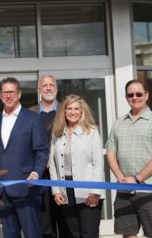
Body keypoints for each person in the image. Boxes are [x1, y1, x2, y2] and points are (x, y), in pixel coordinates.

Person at [105, 80, 152, 238]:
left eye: (139, 94)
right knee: (128, 234)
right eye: (131, 94)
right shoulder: (119, 123)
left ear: (146, 95)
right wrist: (120, 177)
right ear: (126, 97)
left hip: (150, 191)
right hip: (125, 191)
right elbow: (110, 152)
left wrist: (137, 179)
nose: (135, 97)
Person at [0, 77, 48, 238]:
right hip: (1, 191)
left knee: (33, 234)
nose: (8, 96)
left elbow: (41, 151)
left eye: (12, 92)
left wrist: (36, 173)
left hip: (26, 188)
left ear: (19, 94)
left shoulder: (33, 118)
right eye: (5, 92)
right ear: (0, 95)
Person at [48, 94, 104, 238]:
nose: (73, 112)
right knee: (72, 234)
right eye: (69, 108)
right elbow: (52, 164)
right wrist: (56, 191)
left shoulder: (91, 132)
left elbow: (98, 163)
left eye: (76, 109)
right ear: (64, 111)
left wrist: (95, 192)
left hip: (88, 193)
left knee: (89, 233)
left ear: (82, 111)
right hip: (65, 192)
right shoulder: (57, 133)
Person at [29, 75, 63, 238]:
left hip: (64, 175)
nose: (49, 88)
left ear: (56, 88)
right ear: (39, 90)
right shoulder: (29, 114)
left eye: (51, 85)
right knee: (45, 225)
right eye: (45, 85)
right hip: (40, 176)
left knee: (65, 223)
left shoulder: (68, 110)